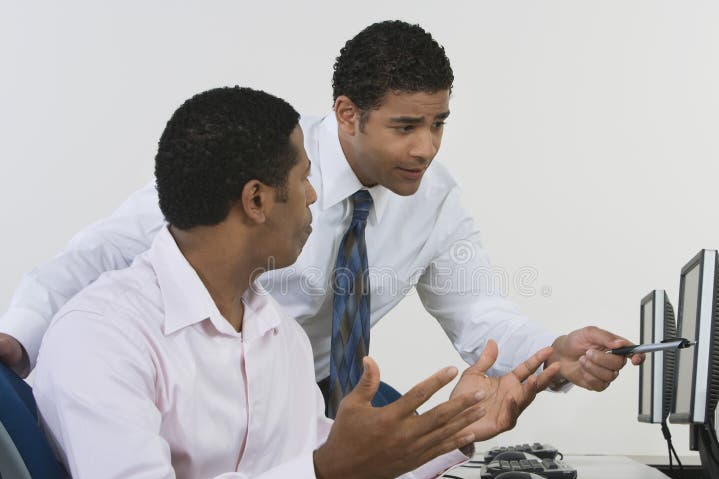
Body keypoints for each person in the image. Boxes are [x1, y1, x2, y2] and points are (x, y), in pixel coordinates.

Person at [1, 20, 639, 402]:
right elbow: (101, 255)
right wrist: (19, 337)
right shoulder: (266, 168)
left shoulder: (436, 197)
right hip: (227, 400)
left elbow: (479, 311)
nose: (427, 147)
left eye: (440, 123)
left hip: (318, 401)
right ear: (347, 114)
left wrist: (555, 351)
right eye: (406, 126)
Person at [33, 86, 561, 479]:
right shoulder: (102, 337)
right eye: (304, 178)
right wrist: (325, 475)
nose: (313, 196)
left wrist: (456, 428)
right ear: (257, 201)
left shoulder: (275, 332)